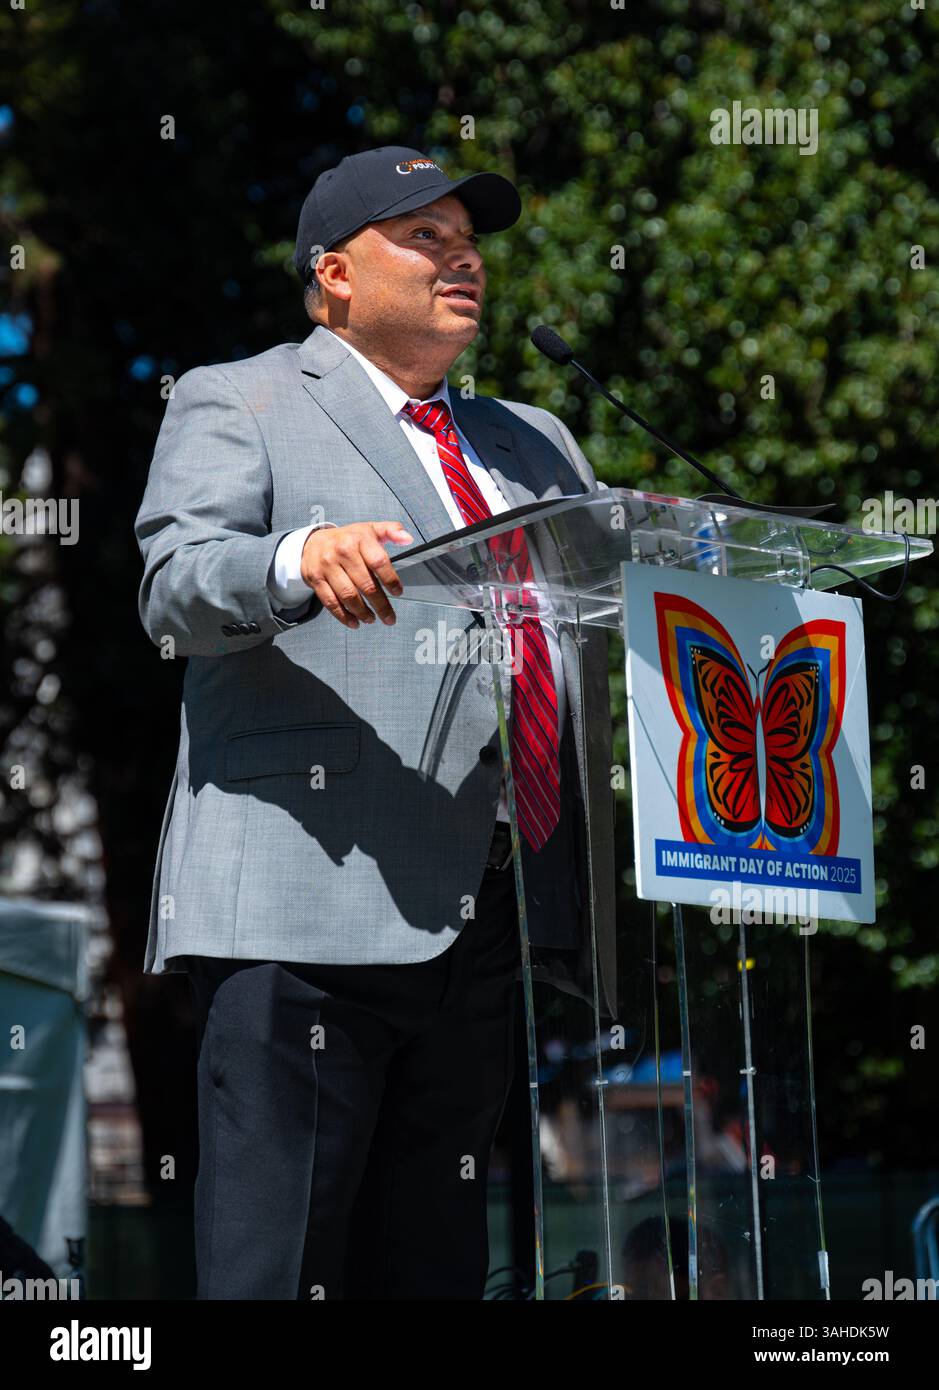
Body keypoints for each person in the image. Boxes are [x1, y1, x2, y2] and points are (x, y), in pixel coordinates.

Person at [134, 145, 616, 1300]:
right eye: (425, 236)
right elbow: (174, 589)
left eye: (470, 237)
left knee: (434, 1269)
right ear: (334, 274)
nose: (464, 256)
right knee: (278, 1268)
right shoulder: (236, 397)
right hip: (301, 908)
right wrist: (300, 556)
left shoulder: (536, 438)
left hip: (483, 910)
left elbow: (598, 618)